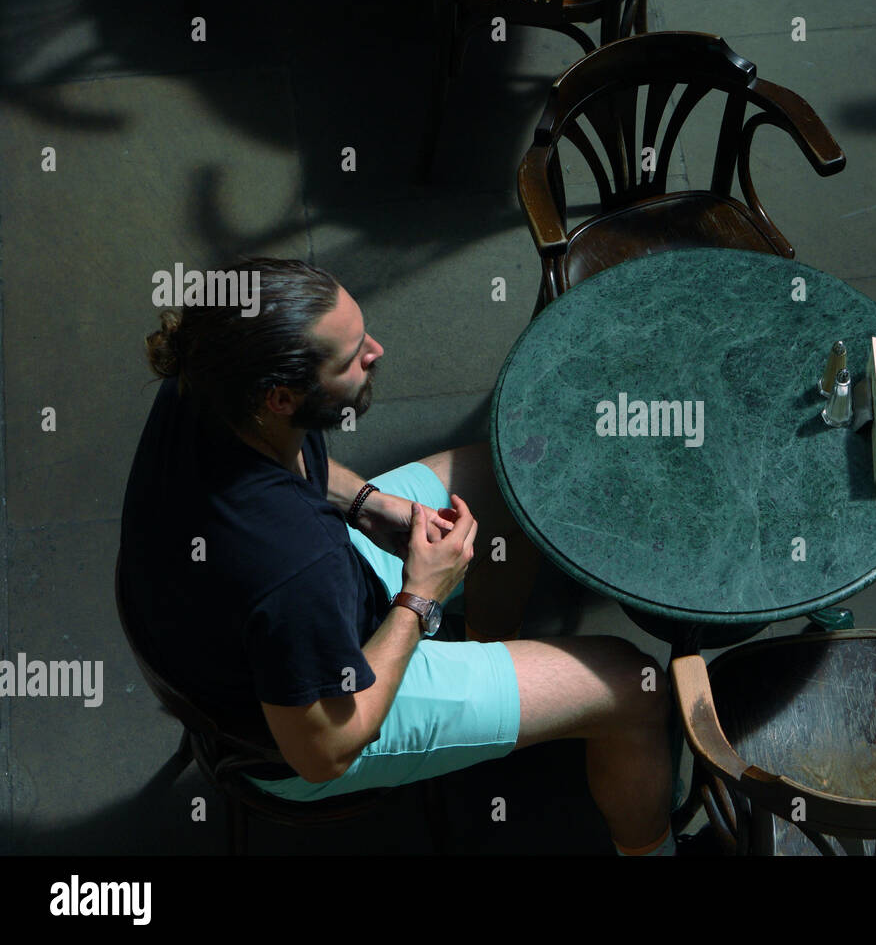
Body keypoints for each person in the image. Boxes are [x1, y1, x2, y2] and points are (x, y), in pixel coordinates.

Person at [119, 257, 676, 855]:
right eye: (352, 355)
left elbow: (283, 468)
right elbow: (323, 754)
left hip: (286, 612)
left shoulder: (208, 377)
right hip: (310, 731)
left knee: (508, 480)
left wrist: (366, 502)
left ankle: (488, 654)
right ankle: (651, 850)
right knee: (634, 689)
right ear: (280, 397)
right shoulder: (290, 566)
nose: (377, 351)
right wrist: (420, 600)